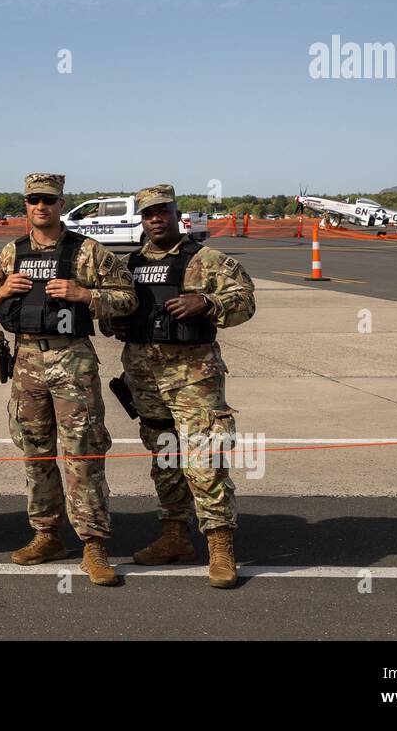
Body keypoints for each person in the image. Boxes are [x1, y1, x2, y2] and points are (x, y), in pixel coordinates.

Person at [0, 172, 136, 587]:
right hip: (27, 359)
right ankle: (46, 534)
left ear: (59, 203)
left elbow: (128, 296)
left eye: (48, 199)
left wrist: (86, 296)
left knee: (83, 452)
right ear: (26, 204)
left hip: (73, 359)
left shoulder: (86, 253)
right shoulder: (9, 254)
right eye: (33, 199)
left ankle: (93, 544)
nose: (40, 206)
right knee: (35, 451)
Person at [111, 184, 255, 589]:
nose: (155, 219)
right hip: (144, 376)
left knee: (206, 457)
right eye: (148, 213)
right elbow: (114, 309)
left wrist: (208, 305)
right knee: (165, 456)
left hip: (193, 377)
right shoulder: (129, 264)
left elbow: (245, 300)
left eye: (162, 211)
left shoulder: (207, 261)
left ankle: (220, 545)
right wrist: (114, 323)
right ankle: (175, 534)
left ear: (177, 213)